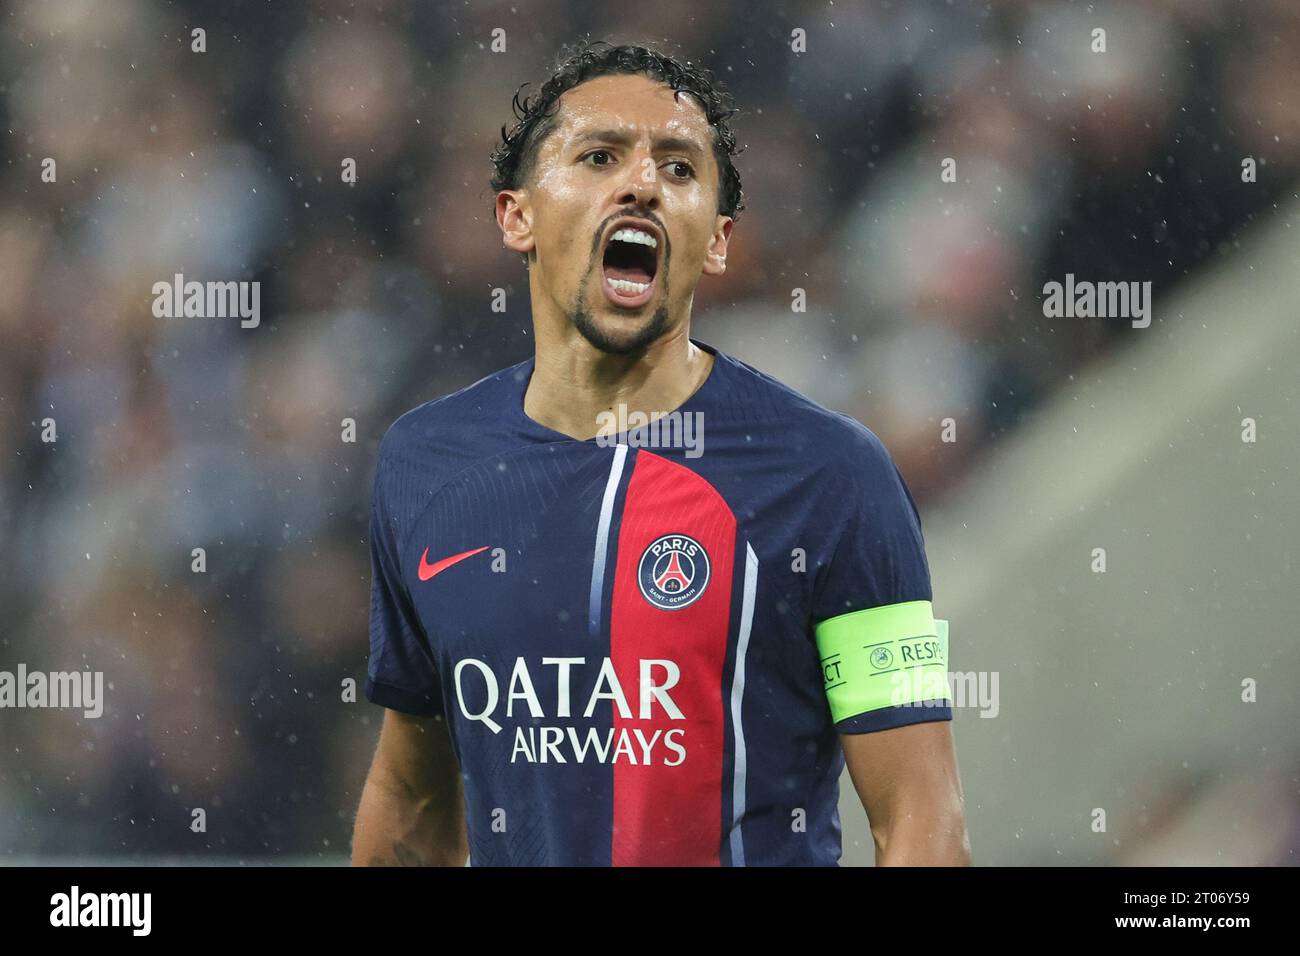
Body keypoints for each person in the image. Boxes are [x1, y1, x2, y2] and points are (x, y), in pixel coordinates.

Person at [352, 40, 970, 866]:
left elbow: (923, 822)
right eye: (600, 155)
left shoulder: (836, 477)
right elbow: (411, 802)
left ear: (715, 241)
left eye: (679, 168)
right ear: (517, 216)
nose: (642, 182)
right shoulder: (424, 464)